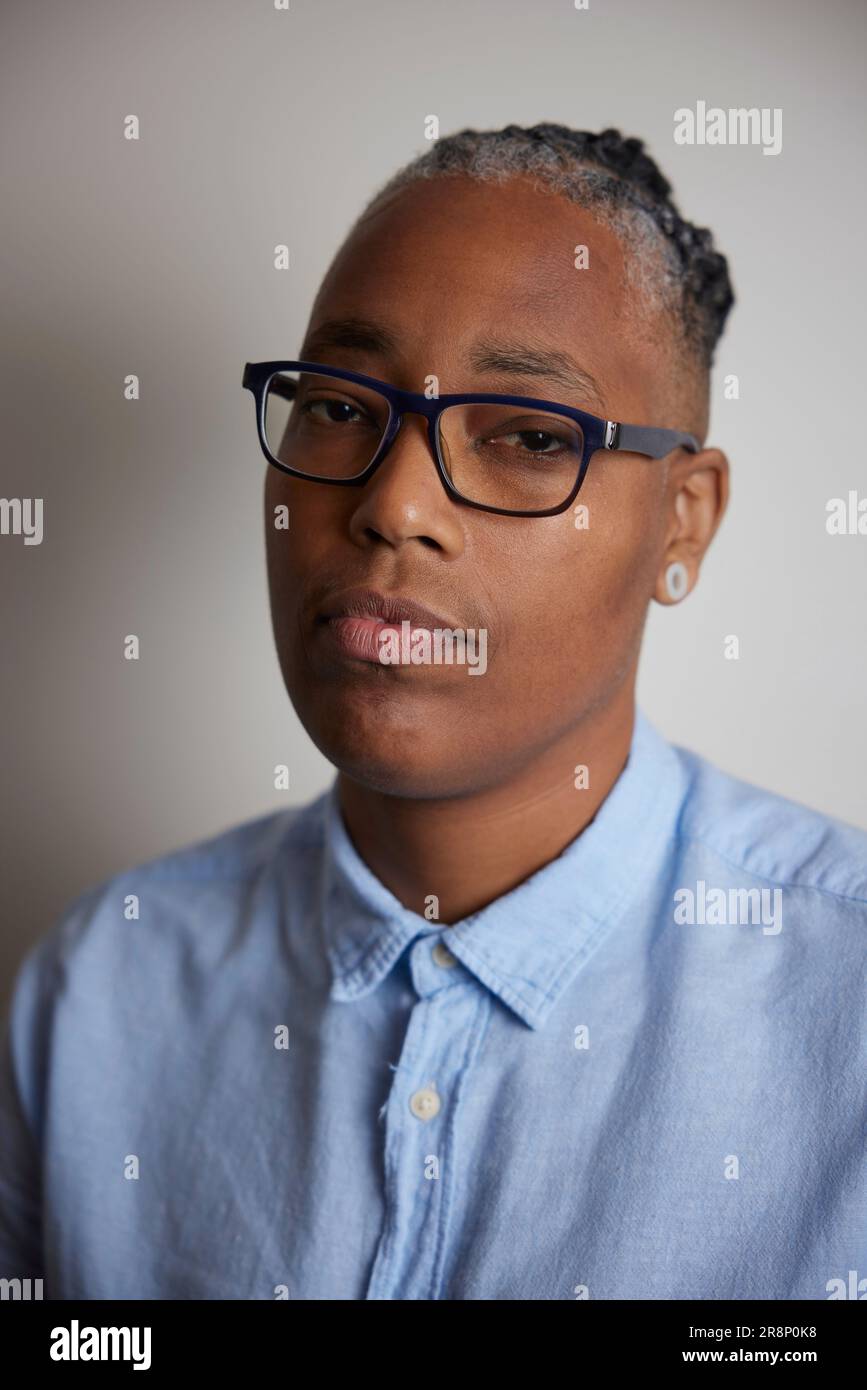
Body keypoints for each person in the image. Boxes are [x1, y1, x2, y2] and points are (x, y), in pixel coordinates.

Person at [1, 124, 864, 1301]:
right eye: (343, 408)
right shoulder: (101, 992)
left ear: (684, 520)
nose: (396, 505)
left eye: (527, 436)